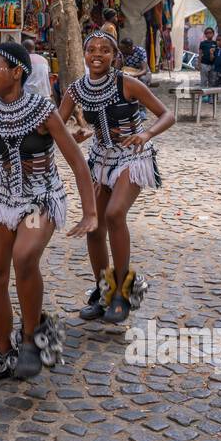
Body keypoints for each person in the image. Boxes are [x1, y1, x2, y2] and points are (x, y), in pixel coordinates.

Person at [0, 42, 98, 383]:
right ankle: (3, 353)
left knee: (25, 257)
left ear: (16, 73)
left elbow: (76, 160)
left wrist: (90, 212)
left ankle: (31, 339)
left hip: (39, 199)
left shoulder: (43, 111)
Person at [60, 29, 174, 324]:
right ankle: (104, 291)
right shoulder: (76, 89)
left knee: (114, 214)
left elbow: (167, 114)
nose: (97, 54)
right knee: (95, 227)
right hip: (100, 159)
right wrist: (77, 136)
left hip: (132, 158)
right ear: (84, 55)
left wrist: (145, 133)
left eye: (104, 50)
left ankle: (124, 292)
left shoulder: (128, 84)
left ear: (114, 56)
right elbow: (55, 126)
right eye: (91, 49)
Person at [22, 35, 54, 100]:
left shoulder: (24, 60)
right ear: (34, 48)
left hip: (29, 96)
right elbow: (49, 76)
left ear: (23, 49)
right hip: (45, 95)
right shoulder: (44, 60)